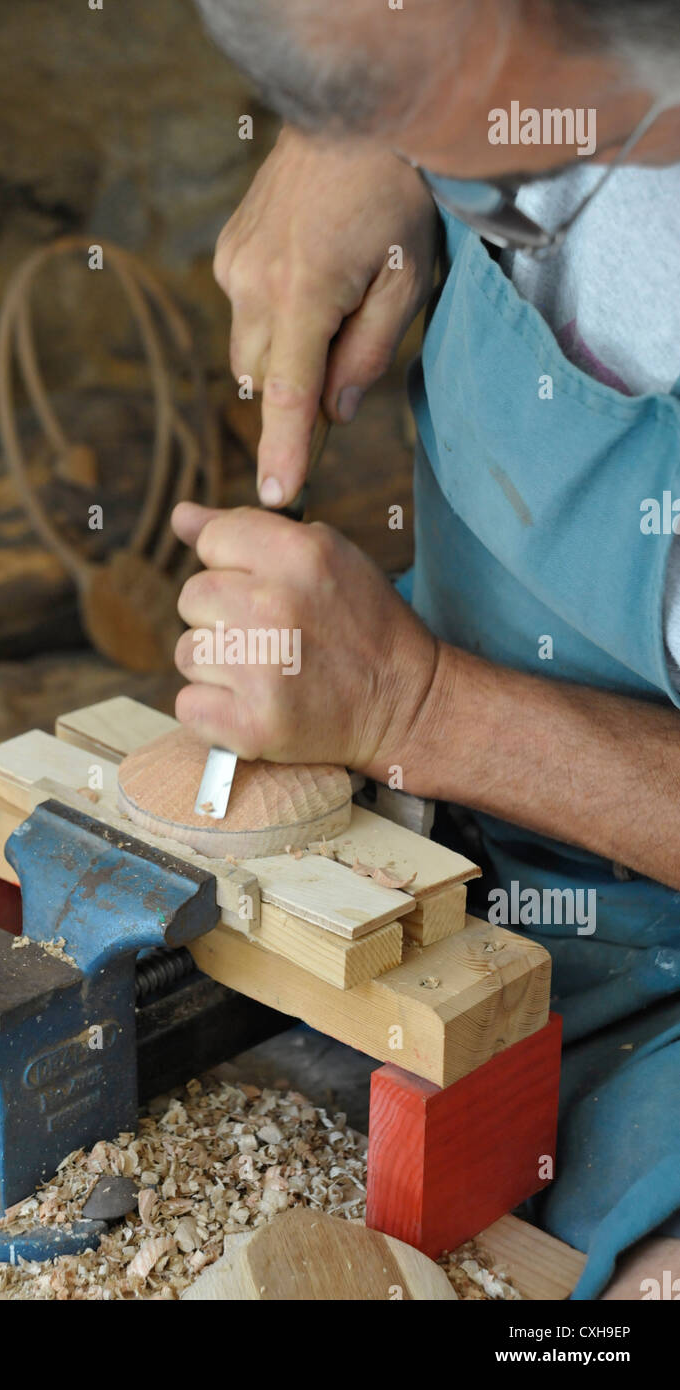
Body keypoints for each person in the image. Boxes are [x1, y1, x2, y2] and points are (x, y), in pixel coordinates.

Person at [169, 0, 680, 1298]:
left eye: (531, 178)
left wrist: (417, 703)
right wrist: (358, 131)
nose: (515, 204)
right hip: (460, 798)